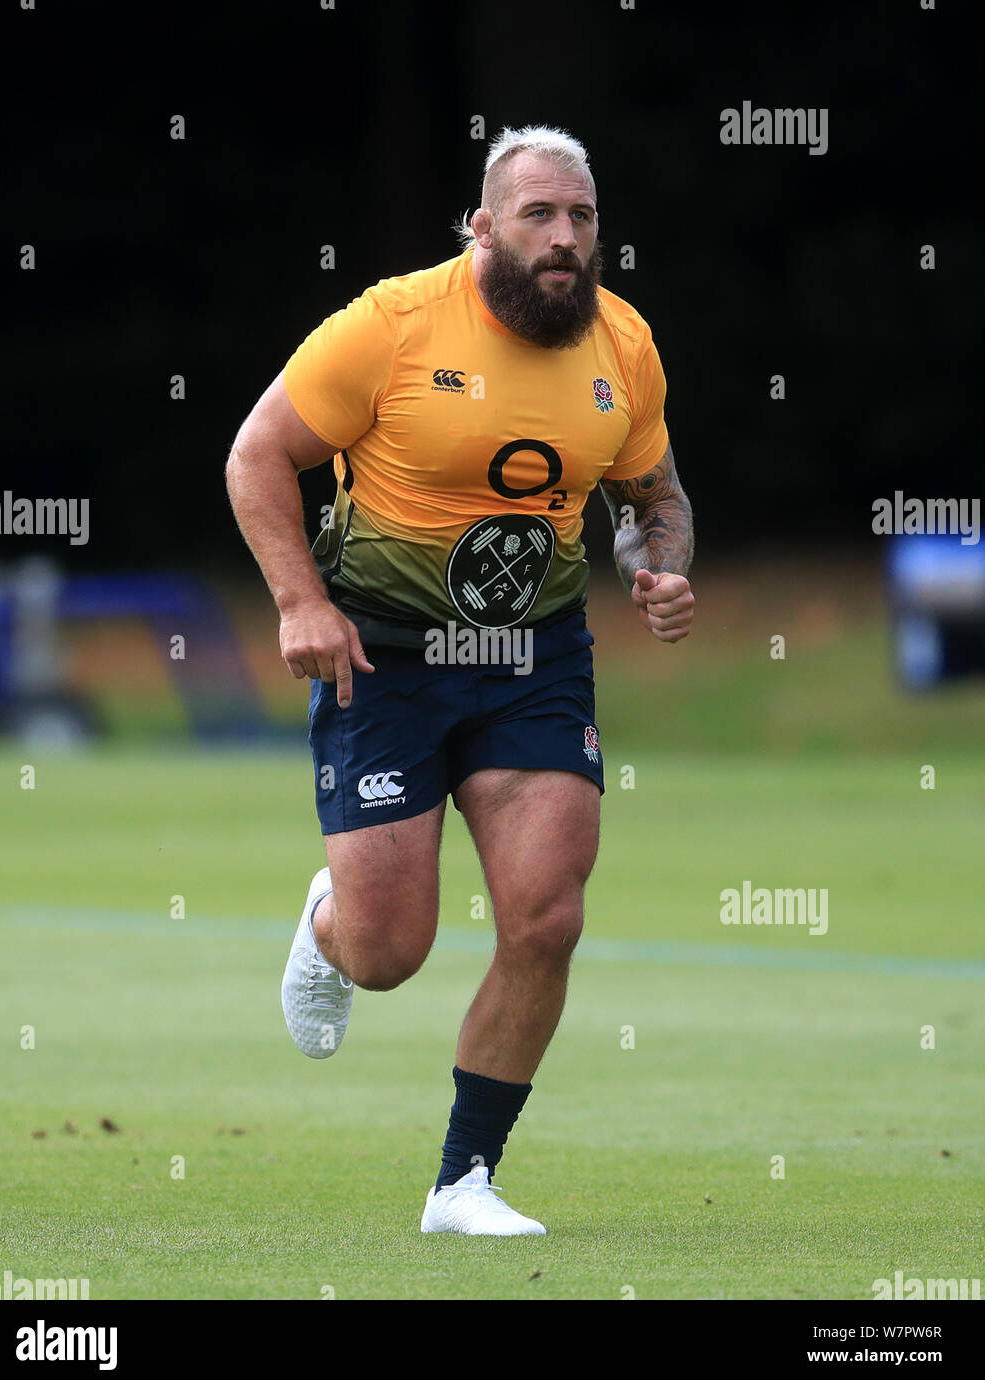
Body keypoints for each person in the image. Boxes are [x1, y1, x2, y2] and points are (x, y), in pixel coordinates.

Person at [225, 124, 694, 1235]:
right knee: (391, 953)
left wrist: (659, 569)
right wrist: (301, 601)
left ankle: (463, 1182)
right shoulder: (388, 326)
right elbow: (256, 454)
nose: (564, 238)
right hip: (382, 656)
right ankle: (333, 919)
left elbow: (654, 498)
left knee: (547, 915)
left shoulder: (622, 343)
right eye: (539, 215)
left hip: (535, 659)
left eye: (581, 217)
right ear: (483, 227)